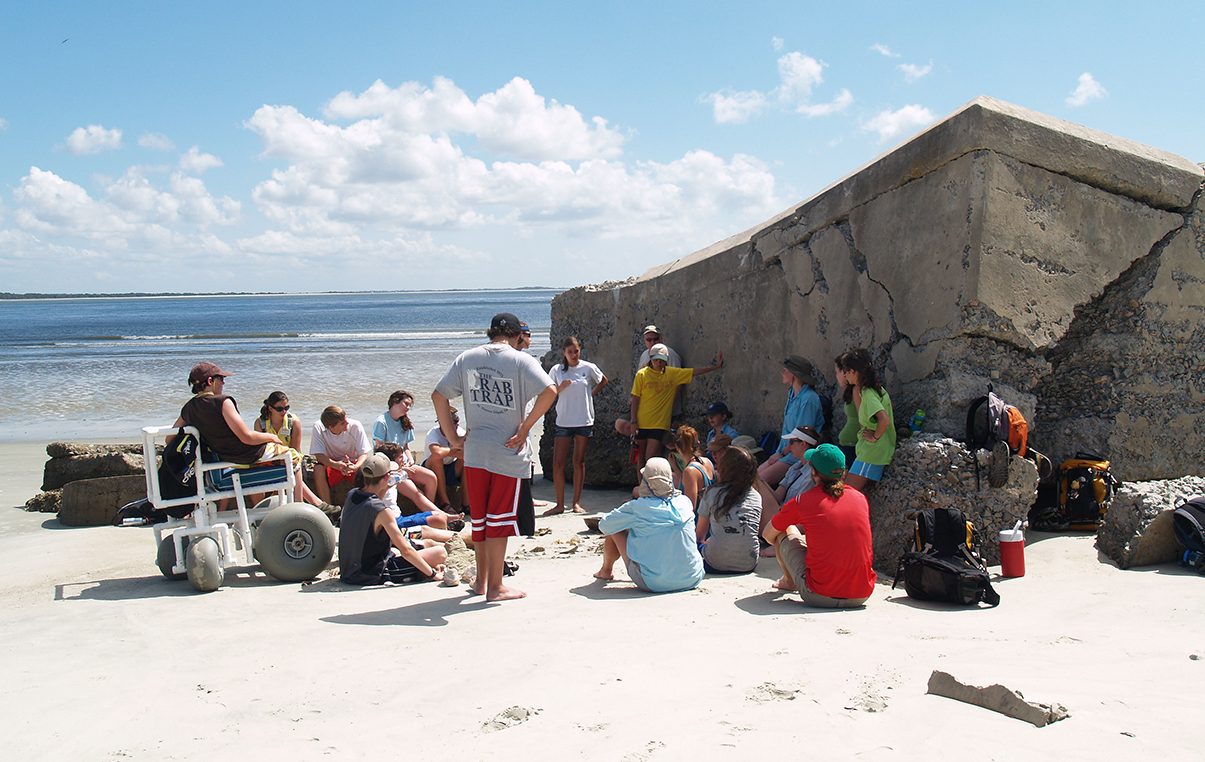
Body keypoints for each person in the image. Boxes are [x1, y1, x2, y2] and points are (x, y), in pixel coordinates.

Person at [432, 312, 558, 601]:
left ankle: (481, 582)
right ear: (517, 335)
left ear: (490, 333)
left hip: (475, 451)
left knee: (480, 520)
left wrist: (453, 438)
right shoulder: (521, 360)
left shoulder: (467, 358)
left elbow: (439, 396)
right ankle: (496, 587)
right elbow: (550, 391)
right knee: (499, 521)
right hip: (507, 451)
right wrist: (525, 428)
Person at [170, 363, 327, 510]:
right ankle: (299, 507)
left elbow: (170, 438)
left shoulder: (189, 408)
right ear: (210, 381)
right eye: (221, 379)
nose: (223, 383)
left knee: (283, 456)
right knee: (293, 456)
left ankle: (315, 504)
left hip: (225, 459)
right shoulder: (223, 402)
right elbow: (246, 437)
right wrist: (270, 437)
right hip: (246, 454)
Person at [762, 443, 875, 608]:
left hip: (819, 595)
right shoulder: (860, 498)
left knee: (786, 529)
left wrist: (786, 545)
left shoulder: (802, 501)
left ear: (813, 472)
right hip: (861, 594)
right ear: (844, 471)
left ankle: (789, 581)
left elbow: (767, 534)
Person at [594, 457, 704, 593]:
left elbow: (604, 526)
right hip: (693, 577)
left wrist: (626, 515)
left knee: (616, 529)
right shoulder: (684, 502)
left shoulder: (637, 508)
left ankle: (606, 571)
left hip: (653, 583)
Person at [338, 453, 447, 585]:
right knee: (439, 553)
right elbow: (406, 551)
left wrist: (386, 486)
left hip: (349, 569)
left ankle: (420, 569)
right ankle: (423, 572)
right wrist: (433, 574)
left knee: (396, 550)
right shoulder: (383, 512)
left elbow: (374, 500)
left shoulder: (352, 495)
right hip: (371, 574)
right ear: (387, 477)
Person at [615, 343, 724, 471]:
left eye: (662, 360)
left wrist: (715, 367)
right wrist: (633, 421)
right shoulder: (642, 375)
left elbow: (693, 372)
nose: (659, 363)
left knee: (650, 459)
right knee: (641, 459)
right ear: (651, 358)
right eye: (656, 360)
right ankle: (643, 484)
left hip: (659, 424)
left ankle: (649, 483)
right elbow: (636, 399)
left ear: (666, 360)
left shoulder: (672, 373)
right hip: (641, 422)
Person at [545, 336, 608, 515]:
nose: (573, 355)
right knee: (558, 463)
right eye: (570, 352)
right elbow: (548, 391)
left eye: (576, 351)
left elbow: (603, 380)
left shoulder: (588, 367)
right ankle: (559, 504)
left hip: (583, 420)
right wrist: (560, 388)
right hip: (564, 421)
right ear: (564, 352)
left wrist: (590, 395)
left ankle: (576, 503)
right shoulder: (557, 370)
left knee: (579, 462)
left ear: (580, 351)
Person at [757, 356, 824, 489]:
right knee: (752, 478)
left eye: (785, 370)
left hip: (795, 456)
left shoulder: (809, 399)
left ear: (794, 374)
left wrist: (781, 454)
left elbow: (802, 435)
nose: (782, 372)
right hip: (784, 452)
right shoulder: (792, 394)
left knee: (759, 482)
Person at [836, 348, 896, 492]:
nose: (844, 375)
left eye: (846, 370)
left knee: (846, 494)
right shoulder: (875, 390)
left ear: (853, 371)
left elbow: (884, 419)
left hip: (872, 453)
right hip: (869, 452)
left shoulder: (868, 394)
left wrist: (874, 437)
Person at [695, 446, 762, 575]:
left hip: (714, 563)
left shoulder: (711, 493)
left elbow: (699, 536)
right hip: (748, 563)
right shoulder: (756, 496)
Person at [371, 390, 442, 506]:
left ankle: (430, 512)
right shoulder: (381, 422)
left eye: (410, 405)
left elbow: (406, 447)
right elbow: (378, 451)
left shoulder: (404, 422)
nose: (408, 408)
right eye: (406, 404)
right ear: (395, 402)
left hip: (405, 464)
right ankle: (433, 513)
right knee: (417, 494)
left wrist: (410, 460)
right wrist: (400, 468)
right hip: (391, 469)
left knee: (431, 477)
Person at [375, 441, 461, 530]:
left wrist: (401, 469)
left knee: (437, 515)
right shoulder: (387, 479)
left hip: (399, 518)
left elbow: (417, 496)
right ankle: (446, 526)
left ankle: (446, 518)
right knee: (438, 519)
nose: (403, 460)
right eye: (400, 457)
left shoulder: (394, 475)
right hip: (394, 522)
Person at [758, 427, 820, 537]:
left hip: (790, 522)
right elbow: (777, 496)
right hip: (782, 514)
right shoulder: (795, 468)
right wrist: (760, 479)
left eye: (791, 442)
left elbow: (799, 508)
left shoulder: (812, 474)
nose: (789, 446)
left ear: (803, 444)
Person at [310, 405, 372, 504]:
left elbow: (364, 454)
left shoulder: (355, 425)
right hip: (332, 464)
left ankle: (365, 505)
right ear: (331, 427)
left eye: (346, 418)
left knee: (367, 469)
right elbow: (319, 456)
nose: (347, 423)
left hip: (353, 463)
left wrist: (355, 467)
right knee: (318, 469)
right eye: (342, 423)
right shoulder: (318, 427)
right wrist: (337, 465)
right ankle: (328, 507)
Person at [423, 407, 465, 510]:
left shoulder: (460, 432)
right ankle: (444, 502)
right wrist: (455, 449)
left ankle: (466, 503)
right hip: (431, 468)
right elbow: (437, 453)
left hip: (451, 468)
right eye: (454, 422)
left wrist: (445, 452)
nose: (457, 424)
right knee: (437, 459)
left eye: (458, 421)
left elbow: (468, 454)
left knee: (467, 459)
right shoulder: (433, 433)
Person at [672, 425, 714, 512]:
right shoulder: (708, 462)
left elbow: (690, 508)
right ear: (698, 443)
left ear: (677, 447)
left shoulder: (690, 472)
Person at [834, 360, 860, 469]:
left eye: (837, 372)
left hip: (852, 445)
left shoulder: (857, 390)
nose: (837, 376)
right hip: (848, 444)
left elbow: (863, 418)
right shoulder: (851, 391)